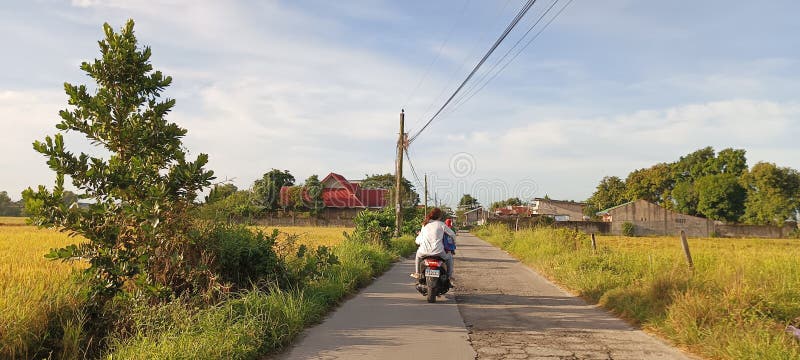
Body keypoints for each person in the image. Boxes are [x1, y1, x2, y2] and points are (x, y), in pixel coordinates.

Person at [413, 207, 456, 280]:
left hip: (424, 252)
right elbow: (452, 235)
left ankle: (417, 273)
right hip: (439, 252)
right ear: (439, 216)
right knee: (449, 258)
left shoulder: (425, 224)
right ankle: (449, 276)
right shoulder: (441, 224)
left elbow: (418, 240)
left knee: (418, 256)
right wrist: (453, 242)